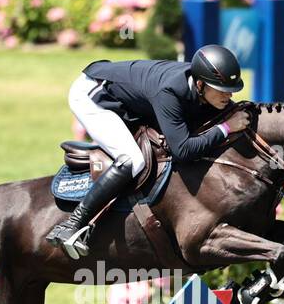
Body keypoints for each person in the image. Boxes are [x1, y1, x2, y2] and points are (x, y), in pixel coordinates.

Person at [45, 44, 252, 259]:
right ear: (200, 84)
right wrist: (226, 128)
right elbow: (183, 150)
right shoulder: (170, 92)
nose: (228, 95)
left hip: (127, 96)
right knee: (133, 160)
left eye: (231, 90)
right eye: (222, 90)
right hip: (92, 96)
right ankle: (73, 225)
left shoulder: (200, 87)